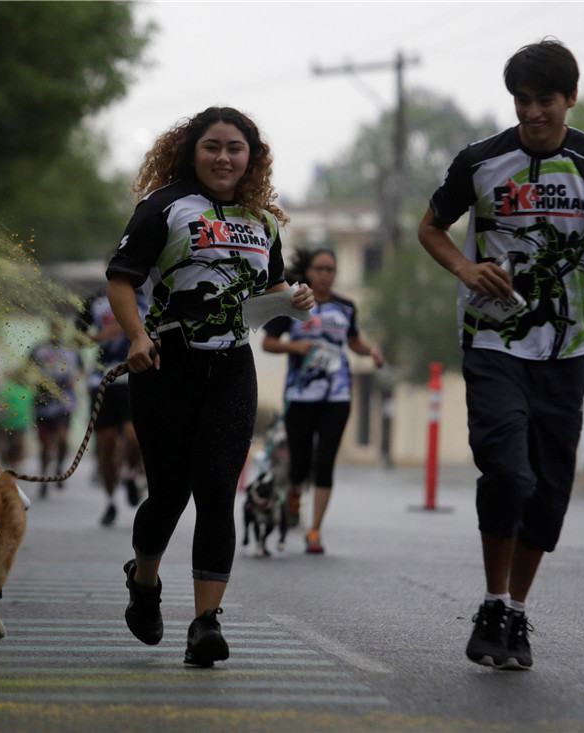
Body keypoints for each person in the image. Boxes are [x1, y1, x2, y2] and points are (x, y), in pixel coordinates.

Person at [417, 39, 584, 671]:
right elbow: (429, 228)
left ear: (571, 98)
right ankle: (492, 602)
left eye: (545, 100)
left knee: (547, 491)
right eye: (522, 101)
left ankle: (515, 612)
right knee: (509, 473)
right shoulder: (482, 160)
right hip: (494, 340)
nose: (533, 112)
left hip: (568, 346)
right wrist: (466, 268)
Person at [106, 106, 314, 667]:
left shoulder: (264, 221)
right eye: (213, 147)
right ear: (191, 152)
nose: (224, 158)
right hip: (164, 365)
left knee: (220, 493)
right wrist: (136, 337)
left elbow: (269, 293)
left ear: (252, 157)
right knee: (169, 495)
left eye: (236, 148)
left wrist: (293, 301)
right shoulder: (165, 206)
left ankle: (204, 623)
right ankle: (144, 581)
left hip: (231, 369)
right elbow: (120, 279)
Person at [261, 247, 384, 555]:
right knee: (300, 463)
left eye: (331, 270)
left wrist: (371, 352)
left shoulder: (346, 307)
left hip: (337, 395)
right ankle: (293, 496)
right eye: (320, 269)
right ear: (308, 272)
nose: (325, 275)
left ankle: (314, 530)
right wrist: (297, 348)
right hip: (300, 394)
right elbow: (269, 343)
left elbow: (353, 341)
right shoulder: (294, 304)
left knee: (325, 462)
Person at [78, 286, 148, 526]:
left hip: (134, 375)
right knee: (106, 443)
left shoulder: (148, 294)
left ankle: (130, 473)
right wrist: (93, 337)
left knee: (133, 437)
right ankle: (110, 501)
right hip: (101, 378)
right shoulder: (95, 300)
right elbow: (78, 335)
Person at [28, 319, 84, 497]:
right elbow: (27, 368)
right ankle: (45, 477)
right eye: (54, 328)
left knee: (62, 438)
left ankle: (59, 466)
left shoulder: (71, 351)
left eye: (59, 328)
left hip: (64, 398)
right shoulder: (39, 349)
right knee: (44, 444)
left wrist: (74, 379)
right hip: (43, 398)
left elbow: (81, 370)